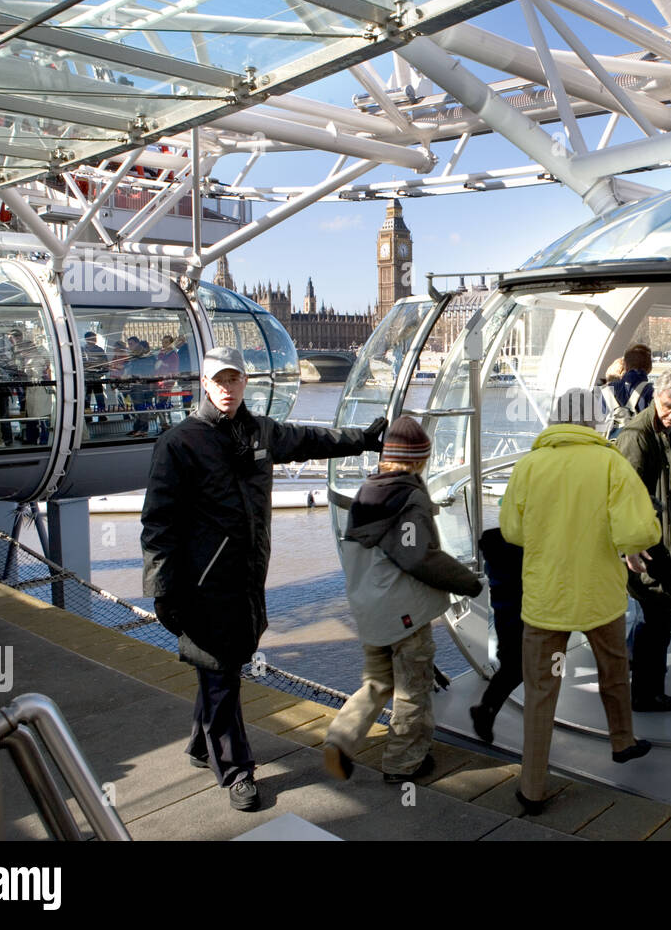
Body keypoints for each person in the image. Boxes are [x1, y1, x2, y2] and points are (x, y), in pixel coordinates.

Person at [141, 346, 385, 811]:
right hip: (202, 583)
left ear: (244, 382)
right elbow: (158, 524)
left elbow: (313, 439)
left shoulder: (259, 432)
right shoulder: (179, 443)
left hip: (248, 574)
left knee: (224, 666)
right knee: (219, 671)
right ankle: (236, 772)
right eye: (218, 381)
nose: (226, 389)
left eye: (234, 380)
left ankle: (200, 745)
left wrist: (365, 439)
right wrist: (162, 589)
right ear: (205, 384)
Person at [500, 387, 661, 813]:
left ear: (556, 419)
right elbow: (637, 533)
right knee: (613, 670)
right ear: (595, 421)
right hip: (598, 596)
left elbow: (512, 531)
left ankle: (532, 788)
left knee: (540, 690)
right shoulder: (610, 463)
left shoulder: (530, 465)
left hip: (545, 599)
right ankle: (622, 741)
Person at [321, 416, 481, 785]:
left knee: (377, 681)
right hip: (402, 613)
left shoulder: (367, 491)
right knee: (413, 687)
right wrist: (467, 582)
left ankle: (341, 740)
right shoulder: (408, 498)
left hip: (368, 606)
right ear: (419, 459)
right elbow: (416, 555)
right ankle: (403, 763)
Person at [614, 369, 671, 711]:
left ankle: (646, 684)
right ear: (655, 398)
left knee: (657, 616)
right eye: (668, 406)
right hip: (646, 546)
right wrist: (629, 546)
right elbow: (621, 496)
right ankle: (646, 694)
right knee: (656, 614)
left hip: (663, 542)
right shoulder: (637, 436)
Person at [468, 526, 524, 745]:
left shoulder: (497, 559)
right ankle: (485, 711)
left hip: (506, 620)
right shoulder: (517, 559)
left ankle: (485, 710)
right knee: (517, 669)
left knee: (512, 668)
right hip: (520, 620)